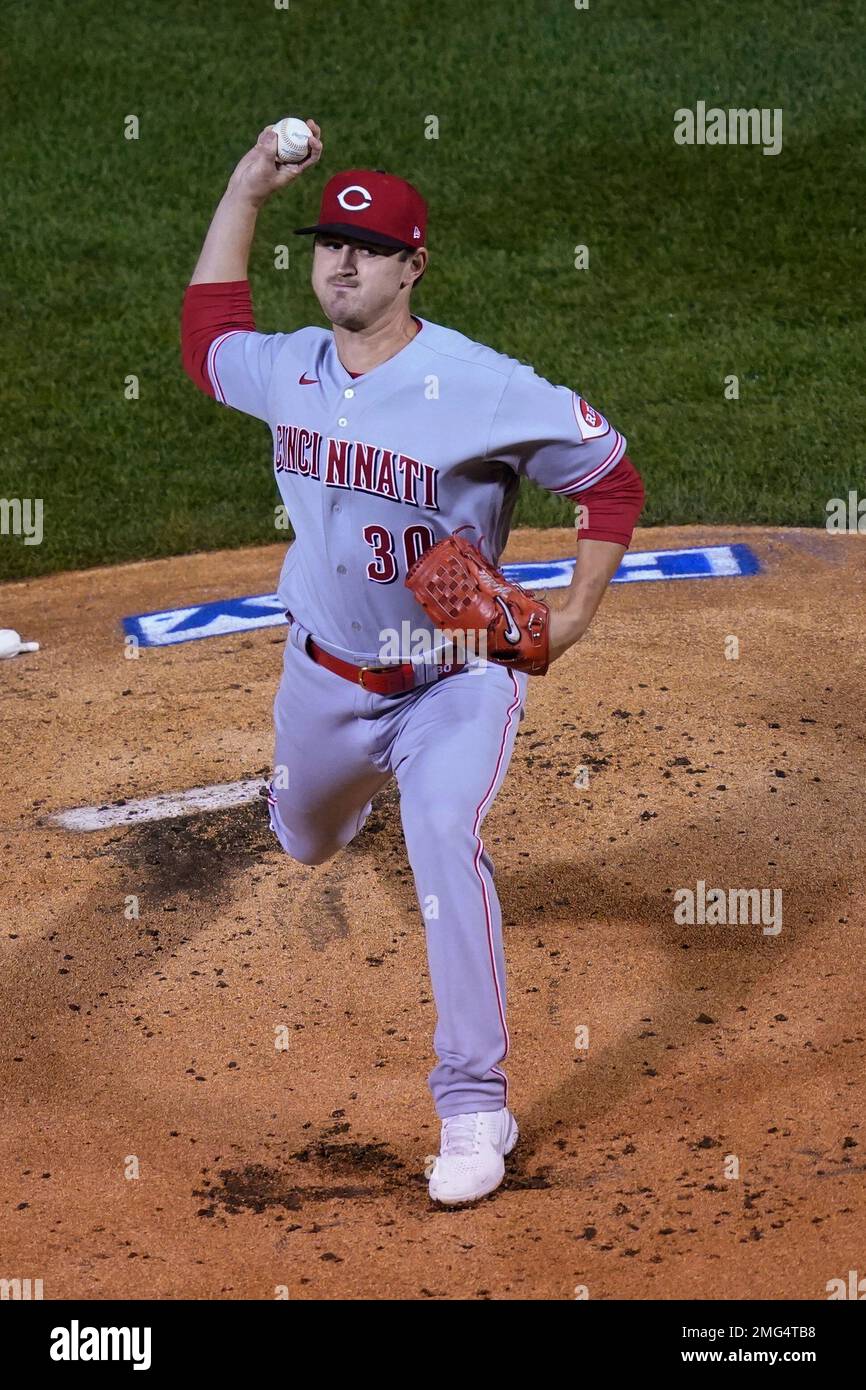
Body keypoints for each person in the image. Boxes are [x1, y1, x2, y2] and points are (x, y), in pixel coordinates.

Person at [181, 120, 645, 1204]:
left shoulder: (479, 385)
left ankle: (473, 1105)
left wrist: (571, 615)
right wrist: (246, 188)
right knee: (301, 839)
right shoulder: (289, 366)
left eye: (369, 247)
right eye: (327, 244)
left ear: (411, 265)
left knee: (442, 833)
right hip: (324, 677)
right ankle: (327, 800)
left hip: (452, 682)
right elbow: (207, 333)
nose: (340, 262)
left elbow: (609, 478)